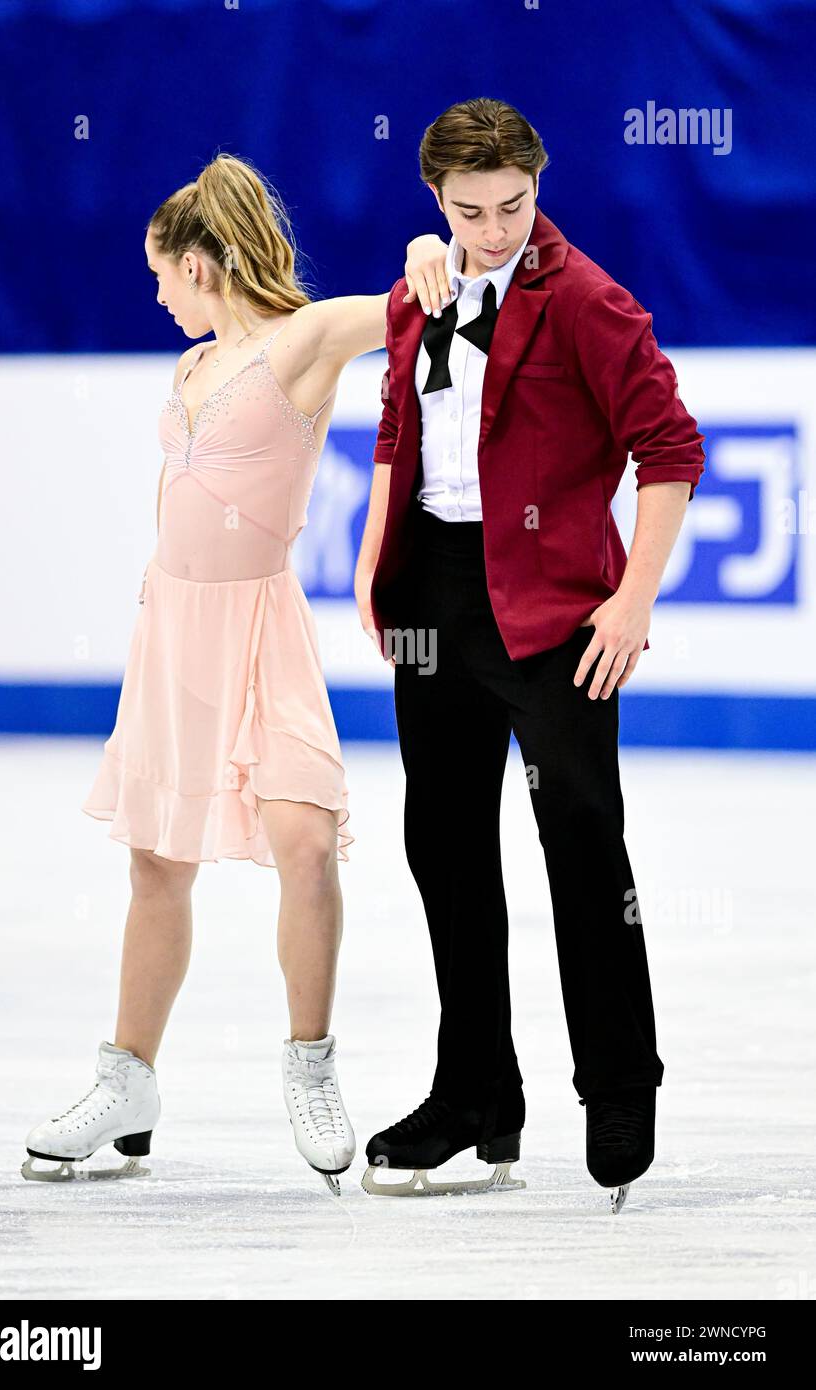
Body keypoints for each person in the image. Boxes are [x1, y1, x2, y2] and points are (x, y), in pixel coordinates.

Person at [21, 152, 448, 1194]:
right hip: (171, 631)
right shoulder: (192, 367)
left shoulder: (296, 345)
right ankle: (126, 1082)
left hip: (261, 632)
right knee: (155, 864)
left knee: (304, 842)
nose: (156, 293)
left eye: (162, 273)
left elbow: (392, 311)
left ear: (204, 265)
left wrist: (429, 251)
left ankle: (309, 1062)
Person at [355, 99, 705, 1210]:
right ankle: (472, 1095)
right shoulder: (424, 290)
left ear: (537, 186)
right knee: (444, 849)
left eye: (513, 206)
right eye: (469, 211)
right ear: (434, 200)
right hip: (434, 599)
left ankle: (616, 1080)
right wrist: (377, 569)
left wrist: (631, 600)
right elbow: (393, 428)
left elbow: (668, 446)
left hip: (556, 614)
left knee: (581, 845)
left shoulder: (590, 303)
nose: (496, 227)